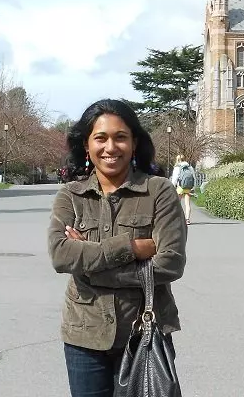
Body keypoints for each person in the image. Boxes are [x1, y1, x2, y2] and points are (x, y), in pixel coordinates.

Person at [48, 99, 187, 396]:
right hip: (84, 337)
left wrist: (90, 265)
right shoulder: (71, 196)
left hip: (144, 334)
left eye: (120, 137)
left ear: (134, 143)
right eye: (100, 138)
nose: (110, 147)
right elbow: (61, 255)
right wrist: (132, 248)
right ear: (87, 145)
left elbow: (171, 262)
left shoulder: (158, 191)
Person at [171, 154, 196, 225]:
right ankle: (187, 219)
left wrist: (172, 187)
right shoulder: (190, 167)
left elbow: (175, 179)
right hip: (188, 187)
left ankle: (177, 219)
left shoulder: (177, 167)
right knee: (187, 204)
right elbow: (194, 177)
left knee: (177, 204)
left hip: (180, 188)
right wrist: (193, 187)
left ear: (178, 160)